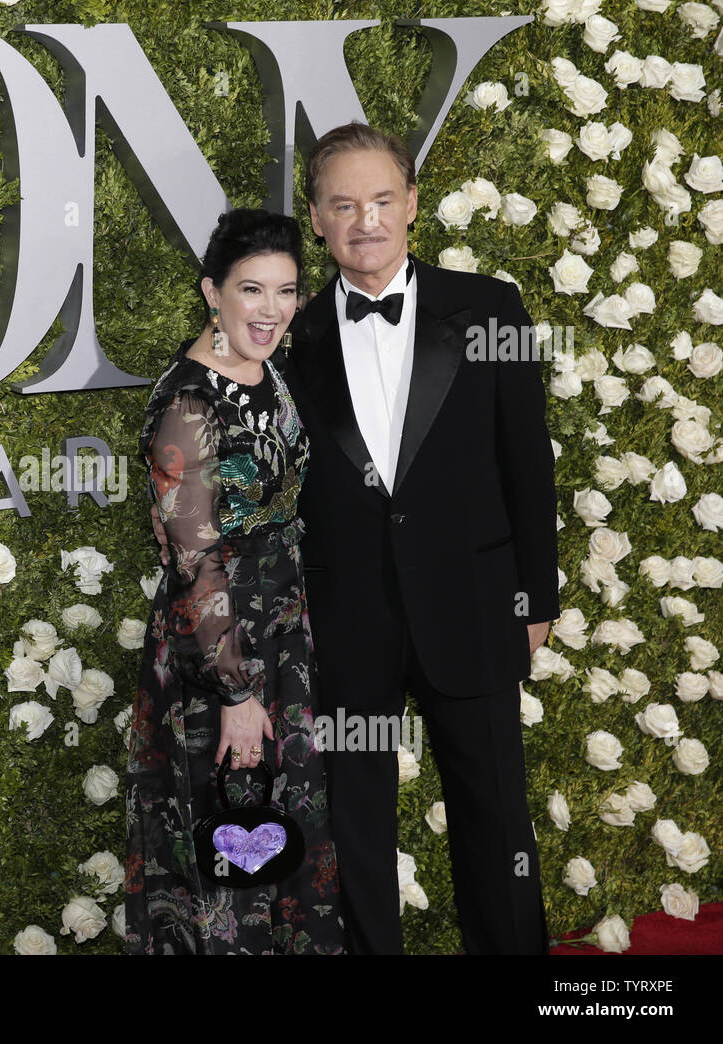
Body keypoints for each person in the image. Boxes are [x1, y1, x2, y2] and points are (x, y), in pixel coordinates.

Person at [282, 122, 559, 954]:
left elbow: (527, 462)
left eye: (379, 199)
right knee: (354, 830)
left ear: (411, 204)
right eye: (342, 204)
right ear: (318, 221)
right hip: (345, 620)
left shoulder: (488, 308)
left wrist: (536, 597)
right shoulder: (287, 333)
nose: (364, 220)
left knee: (496, 820)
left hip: (474, 607)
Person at [124, 208, 346, 955]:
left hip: (280, 640)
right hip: (217, 653)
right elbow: (195, 560)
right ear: (211, 292)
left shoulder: (267, 370)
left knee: (283, 845)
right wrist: (238, 695)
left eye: (287, 291)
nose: (273, 310)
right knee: (221, 857)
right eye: (253, 290)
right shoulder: (188, 403)